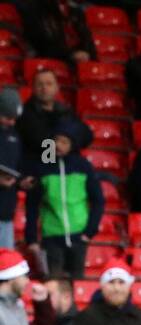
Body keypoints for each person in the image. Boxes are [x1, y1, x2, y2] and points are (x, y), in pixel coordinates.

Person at [24, 118, 101, 279]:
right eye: (56, 140)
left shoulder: (83, 166)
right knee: (53, 283)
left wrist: (89, 232)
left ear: (73, 144)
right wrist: (31, 237)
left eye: (64, 142)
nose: (59, 145)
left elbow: (98, 200)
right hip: (52, 237)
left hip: (79, 236)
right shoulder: (43, 167)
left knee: (77, 283)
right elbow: (32, 205)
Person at [16, 69, 86, 162]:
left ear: (57, 87)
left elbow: (85, 134)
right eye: (40, 84)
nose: (44, 88)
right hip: (39, 166)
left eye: (49, 84)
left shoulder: (66, 111)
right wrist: (61, 145)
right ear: (33, 88)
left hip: (68, 165)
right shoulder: (24, 113)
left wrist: (70, 145)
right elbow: (37, 141)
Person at [17, 0, 94, 63]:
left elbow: (87, 39)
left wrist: (87, 54)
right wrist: (71, 55)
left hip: (79, 61)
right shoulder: (34, 10)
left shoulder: (76, 12)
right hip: (50, 61)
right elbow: (42, 44)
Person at [0, 89, 23, 251]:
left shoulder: (16, 136)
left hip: (6, 212)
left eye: (14, 118)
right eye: (8, 118)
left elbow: (46, 150)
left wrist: (22, 181)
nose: (11, 122)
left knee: (7, 266)